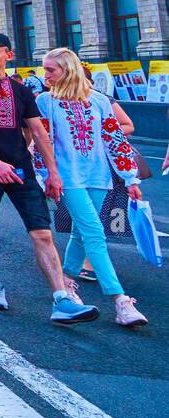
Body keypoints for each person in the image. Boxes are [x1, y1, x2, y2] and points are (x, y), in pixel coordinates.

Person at [0, 32, 97, 324]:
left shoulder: (21, 91)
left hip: (22, 170)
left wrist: (53, 173)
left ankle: (61, 299)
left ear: (9, 55)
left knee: (42, 232)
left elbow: (39, 133)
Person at [31, 47, 148, 327]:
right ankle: (120, 301)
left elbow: (115, 139)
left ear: (67, 70)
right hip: (67, 178)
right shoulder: (44, 101)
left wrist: (130, 178)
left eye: (50, 70)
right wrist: (46, 175)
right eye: (44, 69)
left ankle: (68, 282)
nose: (45, 75)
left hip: (98, 175)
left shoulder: (98, 101)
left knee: (82, 233)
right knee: (95, 232)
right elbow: (41, 142)